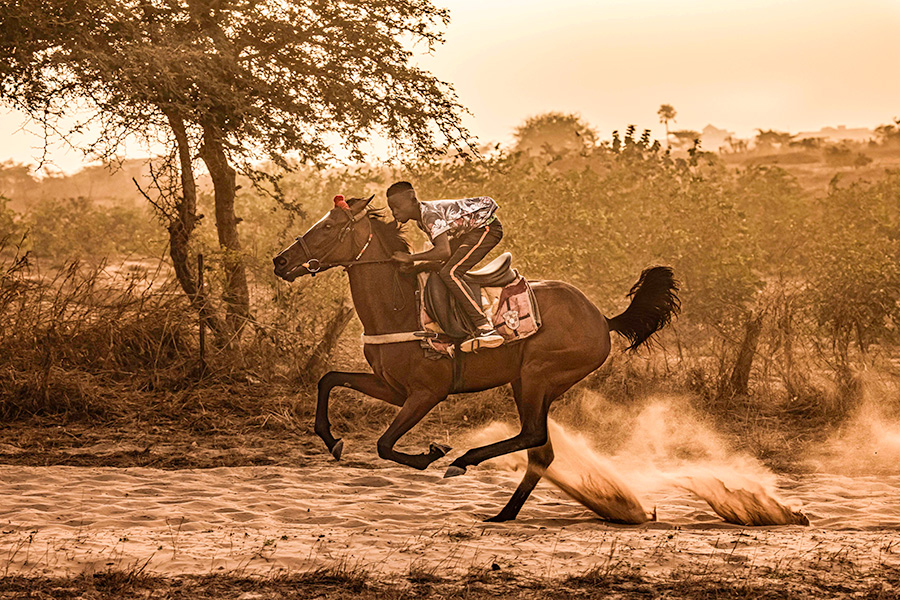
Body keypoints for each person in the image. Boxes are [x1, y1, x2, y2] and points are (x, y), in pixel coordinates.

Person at [386, 181, 505, 352]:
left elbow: (443, 251)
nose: (394, 212)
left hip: (486, 228)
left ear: (412, 198)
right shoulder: (422, 220)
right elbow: (443, 252)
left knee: (450, 272)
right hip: (470, 233)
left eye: (397, 206)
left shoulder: (429, 216)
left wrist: (411, 258)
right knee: (443, 269)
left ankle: (484, 327)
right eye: (391, 209)